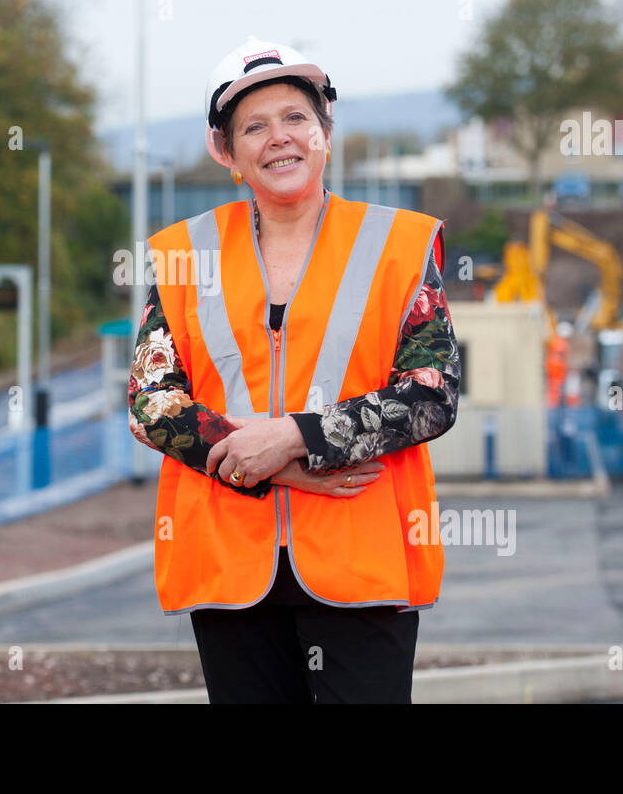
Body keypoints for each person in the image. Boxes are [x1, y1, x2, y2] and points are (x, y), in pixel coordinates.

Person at [128, 36, 461, 703]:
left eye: (295, 118)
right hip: (230, 565)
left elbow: (433, 394)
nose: (278, 138)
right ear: (225, 151)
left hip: (361, 562)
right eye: (254, 125)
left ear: (325, 132)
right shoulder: (185, 253)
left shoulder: (398, 244)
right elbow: (151, 399)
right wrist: (263, 463)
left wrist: (301, 437)